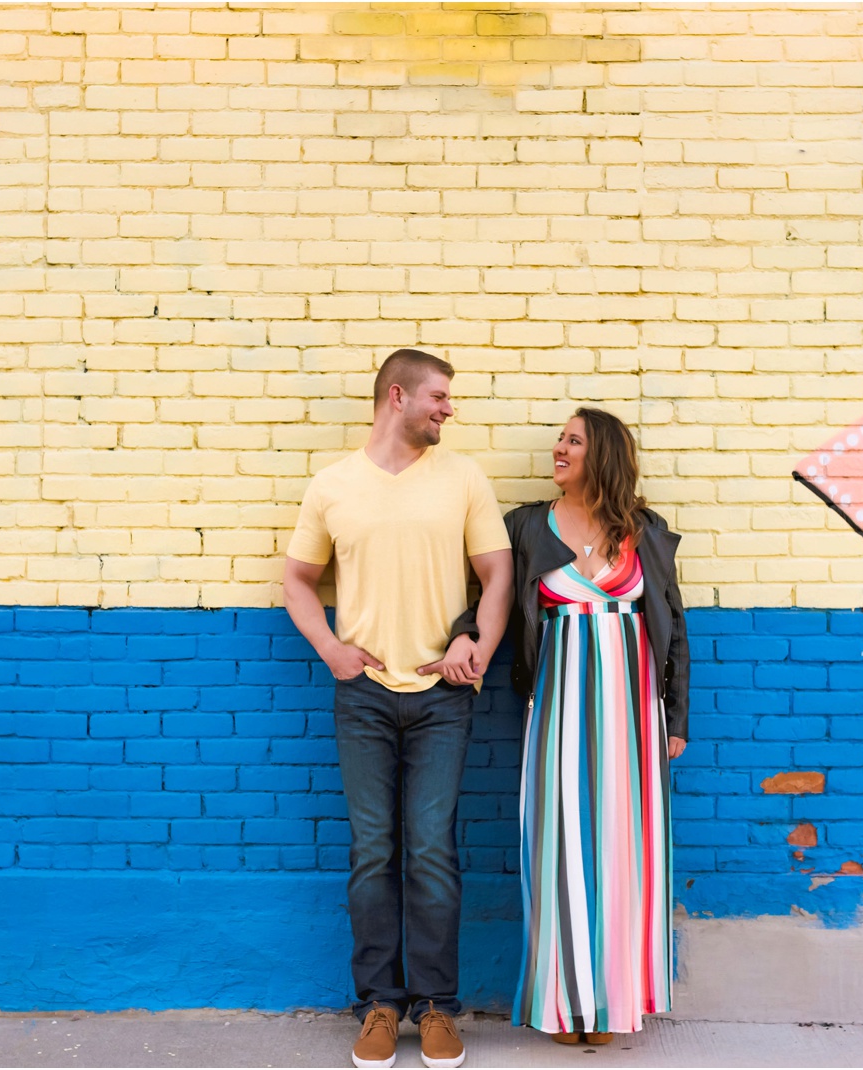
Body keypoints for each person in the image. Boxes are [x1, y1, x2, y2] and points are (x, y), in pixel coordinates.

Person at [284, 348, 514, 1070]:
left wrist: (478, 644)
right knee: (373, 852)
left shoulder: (464, 479)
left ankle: (439, 1009)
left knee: (430, 851)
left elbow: (497, 572)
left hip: (444, 696)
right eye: (439, 396)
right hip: (364, 697)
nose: (450, 408)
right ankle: (380, 1006)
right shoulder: (333, 487)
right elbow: (296, 579)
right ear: (397, 397)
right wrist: (331, 649)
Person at [452, 407, 689, 1045]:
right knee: (559, 849)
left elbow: (674, 630)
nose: (558, 449)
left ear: (602, 455)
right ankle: (565, 1003)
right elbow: (485, 602)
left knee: (623, 855)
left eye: (572, 441)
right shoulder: (528, 526)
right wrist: (462, 643)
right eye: (559, 439)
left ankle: (611, 1004)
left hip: (634, 715)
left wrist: (676, 719)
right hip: (556, 708)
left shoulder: (646, 532)